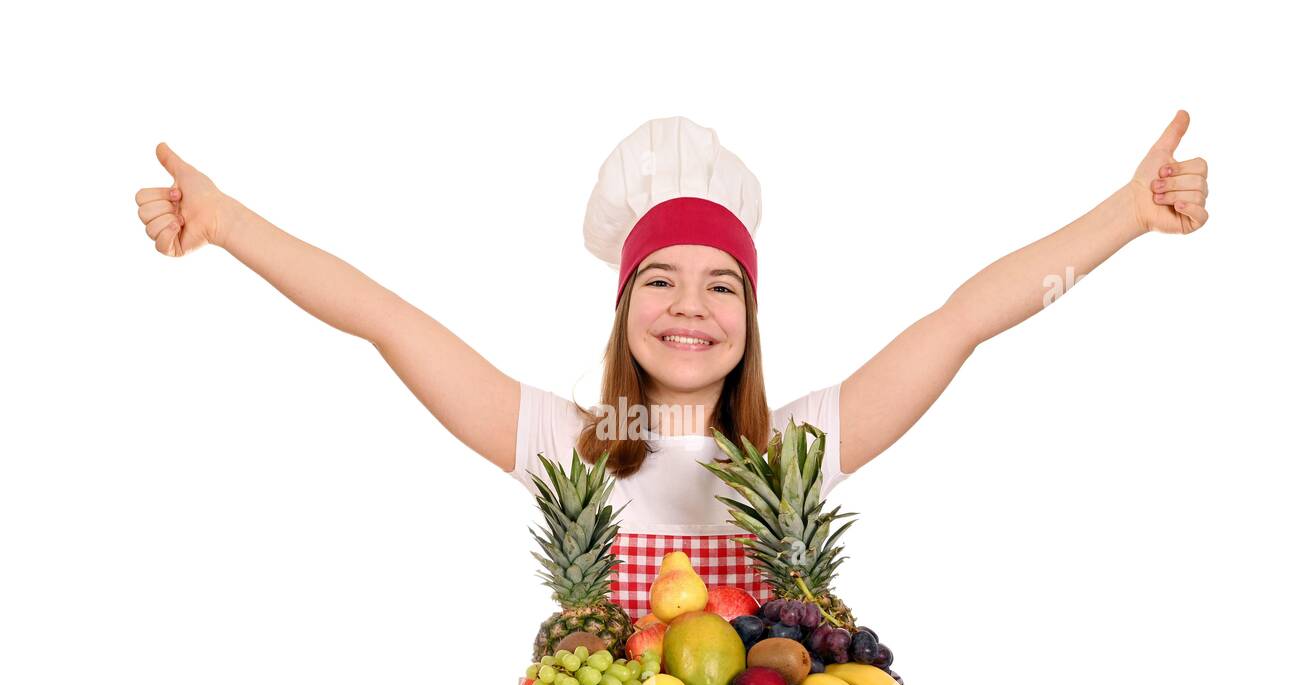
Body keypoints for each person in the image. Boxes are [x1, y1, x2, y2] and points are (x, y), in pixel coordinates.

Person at [133, 113, 1209, 621]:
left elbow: (966, 317)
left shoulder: (794, 448)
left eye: (721, 283)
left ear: (749, 315)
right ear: (622, 305)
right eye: (660, 280)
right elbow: (382, 318)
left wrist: (1124, 215)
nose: (689, 306)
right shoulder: (560, 444)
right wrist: (229, 225)